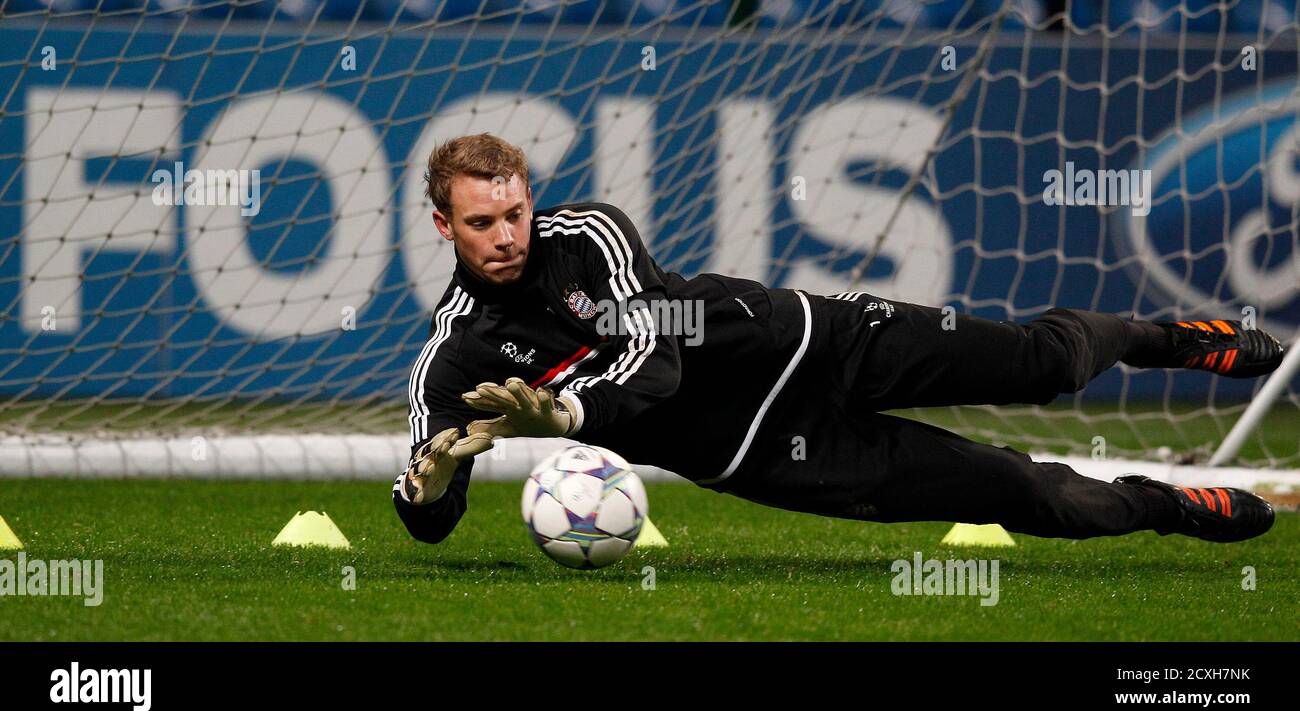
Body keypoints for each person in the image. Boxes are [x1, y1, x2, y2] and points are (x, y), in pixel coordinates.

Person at [393, 133, 1282, 545]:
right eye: (483, 222)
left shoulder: (589, 233)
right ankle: (1169, 507)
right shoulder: (457, 354)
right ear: (444, 227)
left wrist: (573, 411)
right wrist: (426, 492)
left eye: (515, 211)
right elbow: (431, 513)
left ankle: (1163, 339)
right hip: (776, 453)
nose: (508, 234)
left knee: (1041, 361)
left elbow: (653, 359)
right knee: (1019, 491)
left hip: (818, 342)